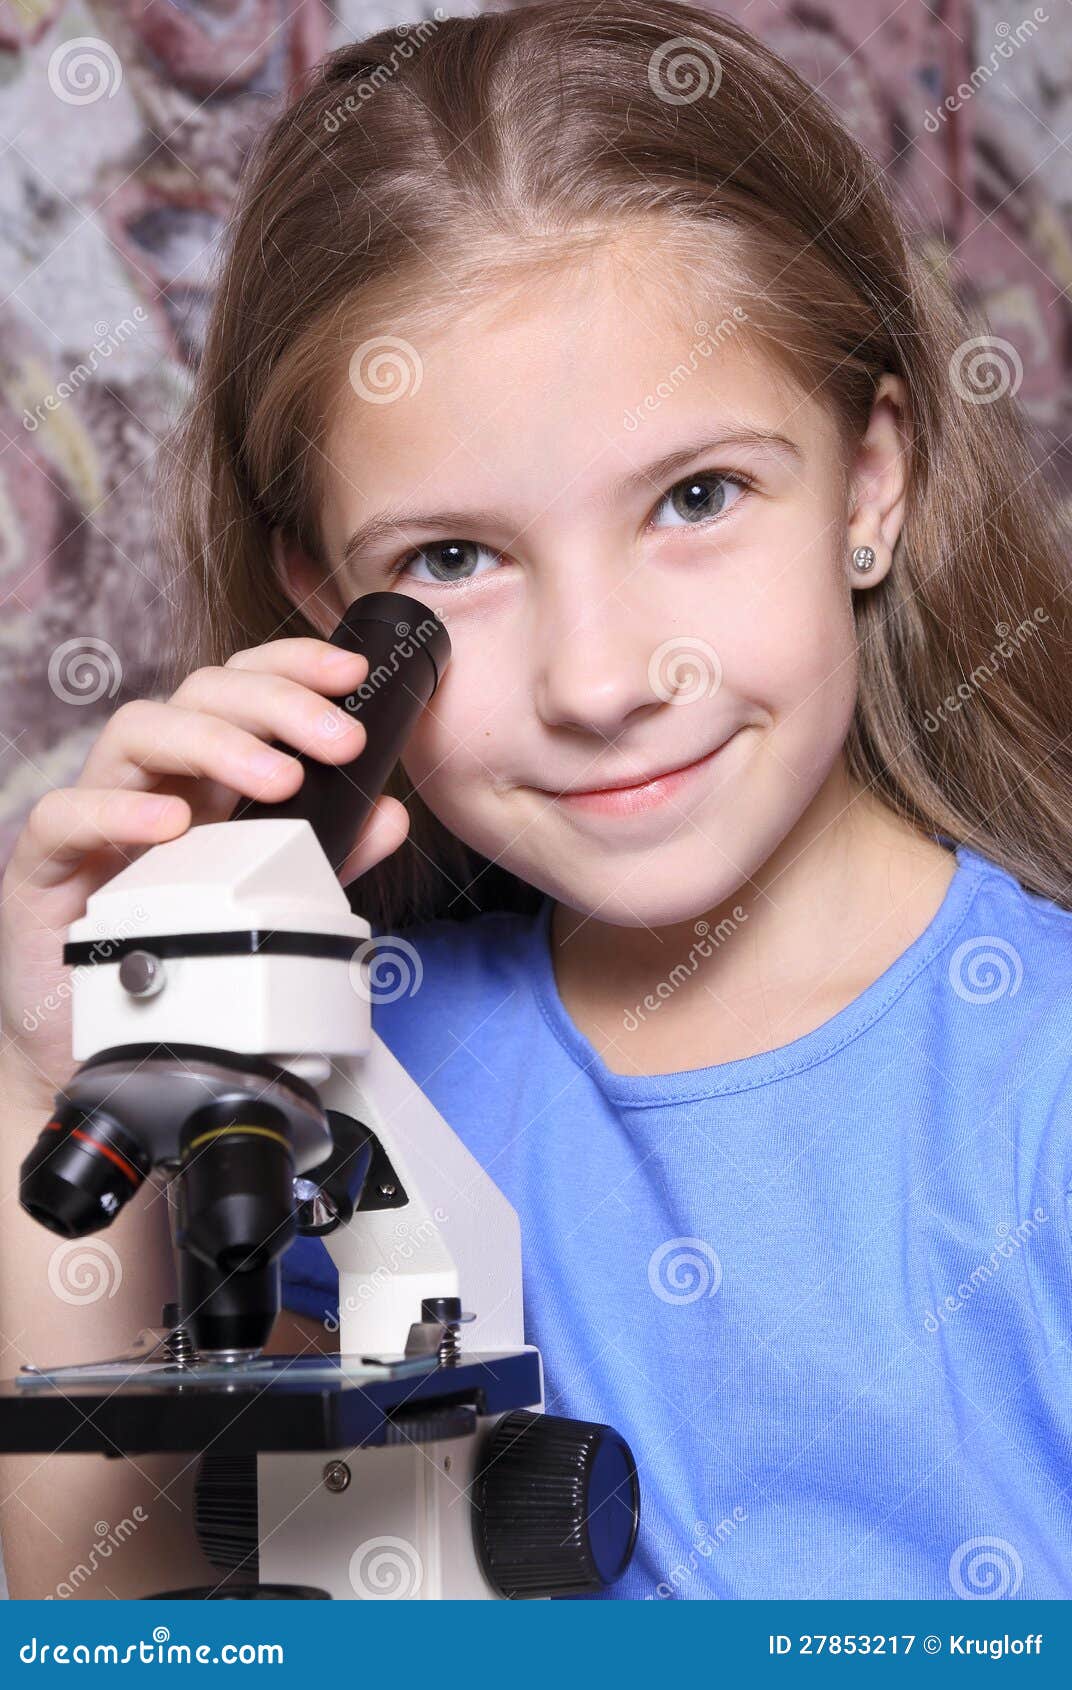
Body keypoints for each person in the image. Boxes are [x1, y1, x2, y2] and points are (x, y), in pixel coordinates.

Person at [2, 0, 1071, 1601]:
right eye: (452, 561)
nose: (599, 676)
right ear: (333, 618)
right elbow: (118, 1617)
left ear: (868, 485)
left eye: (695, 498)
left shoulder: (1032, 1078)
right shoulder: (343, 1076)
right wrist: (42, 1077)